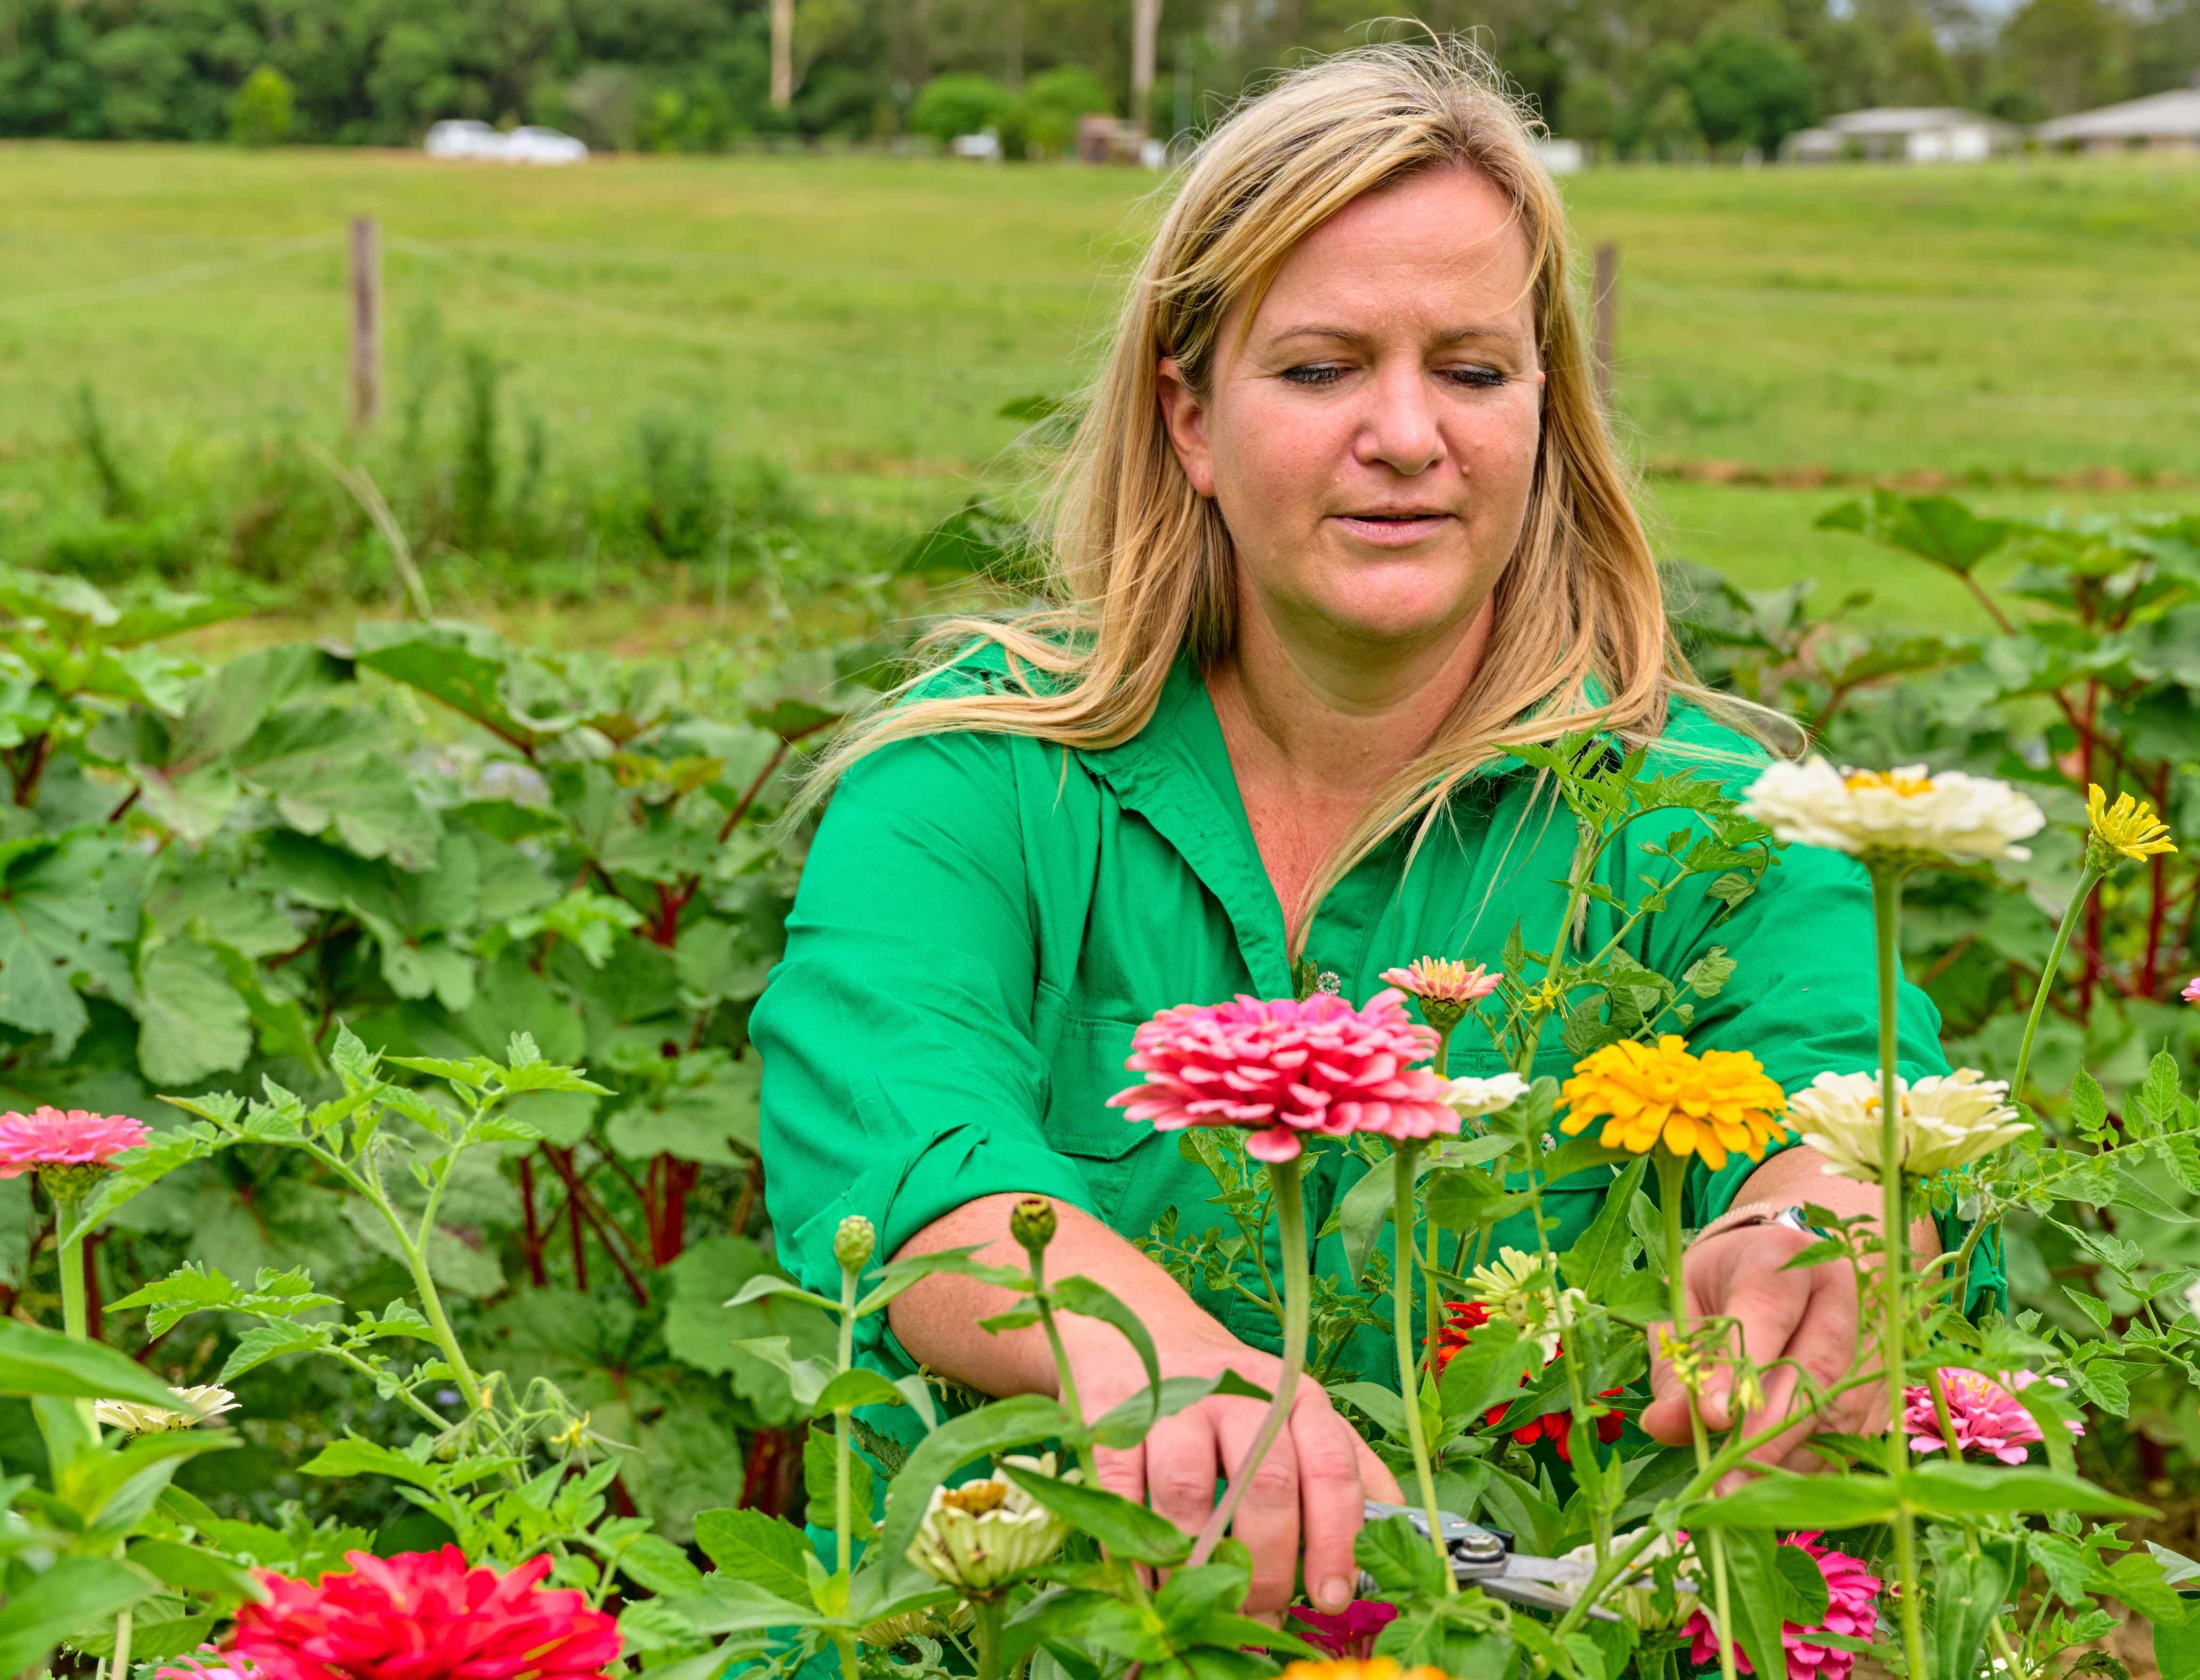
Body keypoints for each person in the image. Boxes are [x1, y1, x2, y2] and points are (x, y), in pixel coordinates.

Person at [754, 43, 1972, 1624]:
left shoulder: (1702, 813)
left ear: (1546, 406)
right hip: (1060, 1633)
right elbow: (903, 1144)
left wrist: (1821, 1223)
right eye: (1323, 369)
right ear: (1190, 417)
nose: (1407, 435)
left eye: (1472, 371)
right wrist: (1163, 1367)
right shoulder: (972, 787)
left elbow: (1864, 1085)